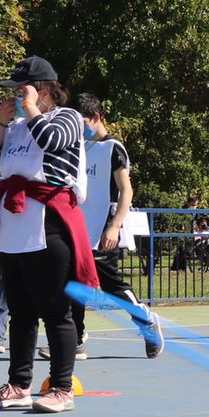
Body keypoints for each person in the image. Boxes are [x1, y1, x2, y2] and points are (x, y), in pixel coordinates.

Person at [0, 56, 98, 413]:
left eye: (22, 89)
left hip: (49, 225)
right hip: (15, 231)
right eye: (14, 91)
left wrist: (30, 107)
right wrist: (2, 119)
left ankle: (62, 388)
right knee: (21, 313)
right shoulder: (15, 124)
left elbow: (50, 141)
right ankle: (19, 384)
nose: (15, 96)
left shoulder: (67, 118)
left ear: (44, 90)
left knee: (56, 311)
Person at [58, 93, 164, 358]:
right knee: (74, 282)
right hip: (79, 228)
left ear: (96, 118)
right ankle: (77, 339)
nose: (79, 128)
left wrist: (114, 226)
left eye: (82, 122)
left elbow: (126, 190)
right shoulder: (80, 147)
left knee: (110, 284)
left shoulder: (113, 148)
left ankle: (146, 320)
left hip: (103, 227)